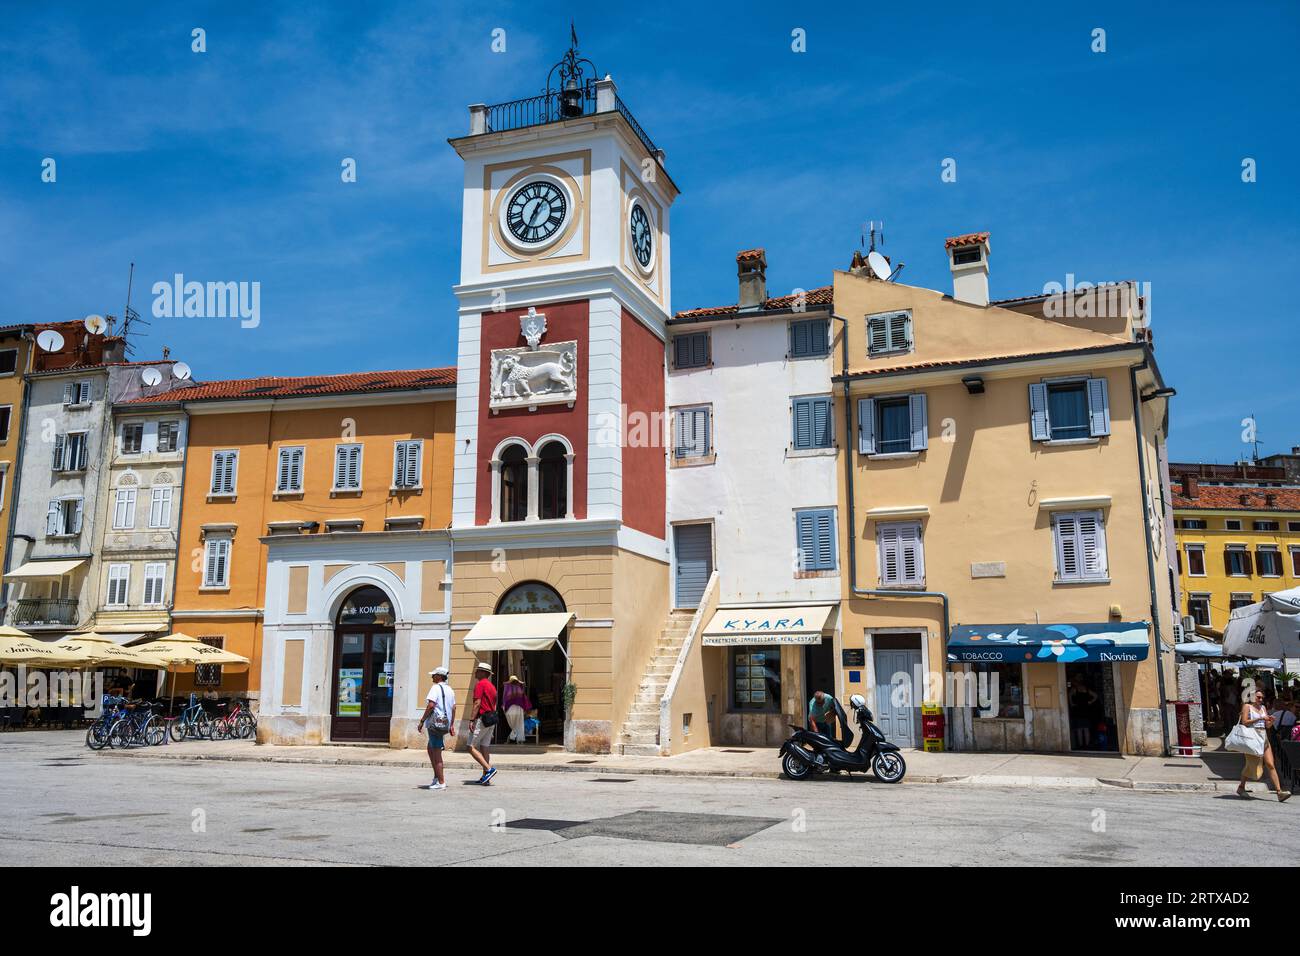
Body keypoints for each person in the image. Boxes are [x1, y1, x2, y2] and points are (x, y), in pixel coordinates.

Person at [1236, 688, 1291, 802]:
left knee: (1270, 764)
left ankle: (1279, 792)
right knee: (1251, 765)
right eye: (1258, 697)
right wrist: (1260, 717)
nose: (1261, 699)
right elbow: (1245, 722)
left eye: (1262, 697)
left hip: (1263, 737)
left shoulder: (1263, 708)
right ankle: (1241, 787)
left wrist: (1270, 721)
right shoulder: (1247, 707)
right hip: (1252, 738)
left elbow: (1267, 726)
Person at [417, 667, 456, 791]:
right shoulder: (450, 689)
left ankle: (441, 781)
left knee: (436, 752)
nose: (432, 677)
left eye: (434, 675)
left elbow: (431, 705)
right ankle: (436, 776)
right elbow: (454, 708)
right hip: (445, 724)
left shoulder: (435, 688)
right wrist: (451, 724)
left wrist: (422, 721)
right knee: (431, 748)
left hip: (435, 724)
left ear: (439, 676)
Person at [465, 662, 499, 784]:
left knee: (470, 746)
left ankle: (489, 769)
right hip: (491, 719)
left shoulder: (480, 685)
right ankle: (486, 776)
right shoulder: (492, 686)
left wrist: (472, 719)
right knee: (485, 747)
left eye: (478, 670)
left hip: (482, 719)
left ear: (483, 673)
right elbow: (493, 704)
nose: (475, 672)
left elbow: (477, 703)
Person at [503, 675, 531, 744]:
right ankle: (520, 740)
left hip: (510, 710)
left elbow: (504, 700)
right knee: (519, 724)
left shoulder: (507, 689)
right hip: (519, 709)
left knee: (514, 726)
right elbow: (524, 699)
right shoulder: (520, 689)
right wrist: (526, 708)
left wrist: (503, 708)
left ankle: (512, 739)